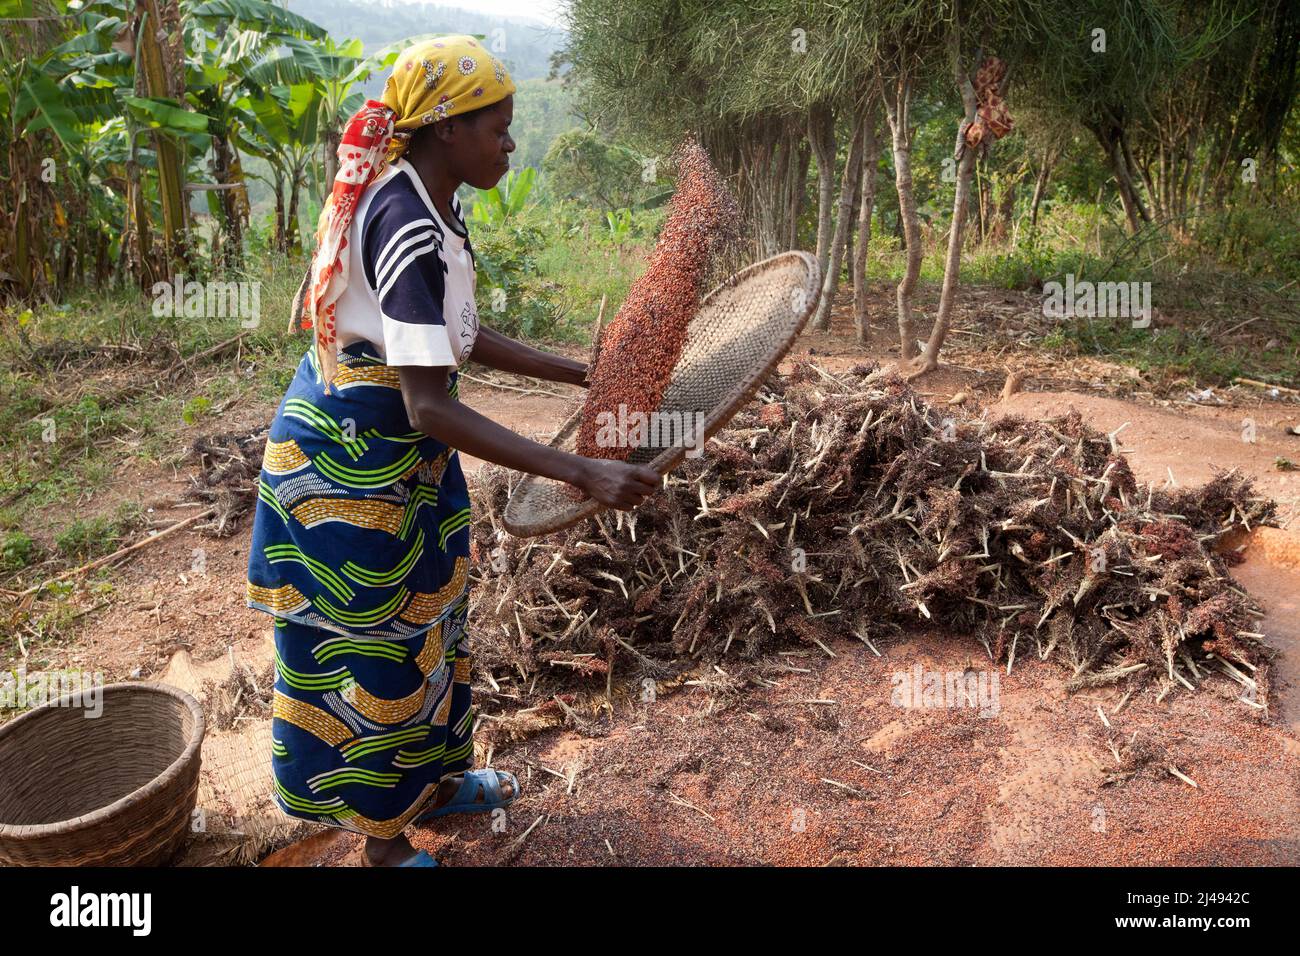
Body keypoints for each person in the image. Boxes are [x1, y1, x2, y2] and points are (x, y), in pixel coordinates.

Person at [245, 35, 659, 867]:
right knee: (374, 651)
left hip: (404, 468)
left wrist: (581, 372)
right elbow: (429, 403)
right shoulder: (400, 219)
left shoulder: (433, 199)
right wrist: (580, 468)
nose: (509, 141)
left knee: (431, 628)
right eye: (497, 128)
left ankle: (430, 786)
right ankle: (384, 841)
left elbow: (451, 337)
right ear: (444, 132)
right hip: (350, 473)